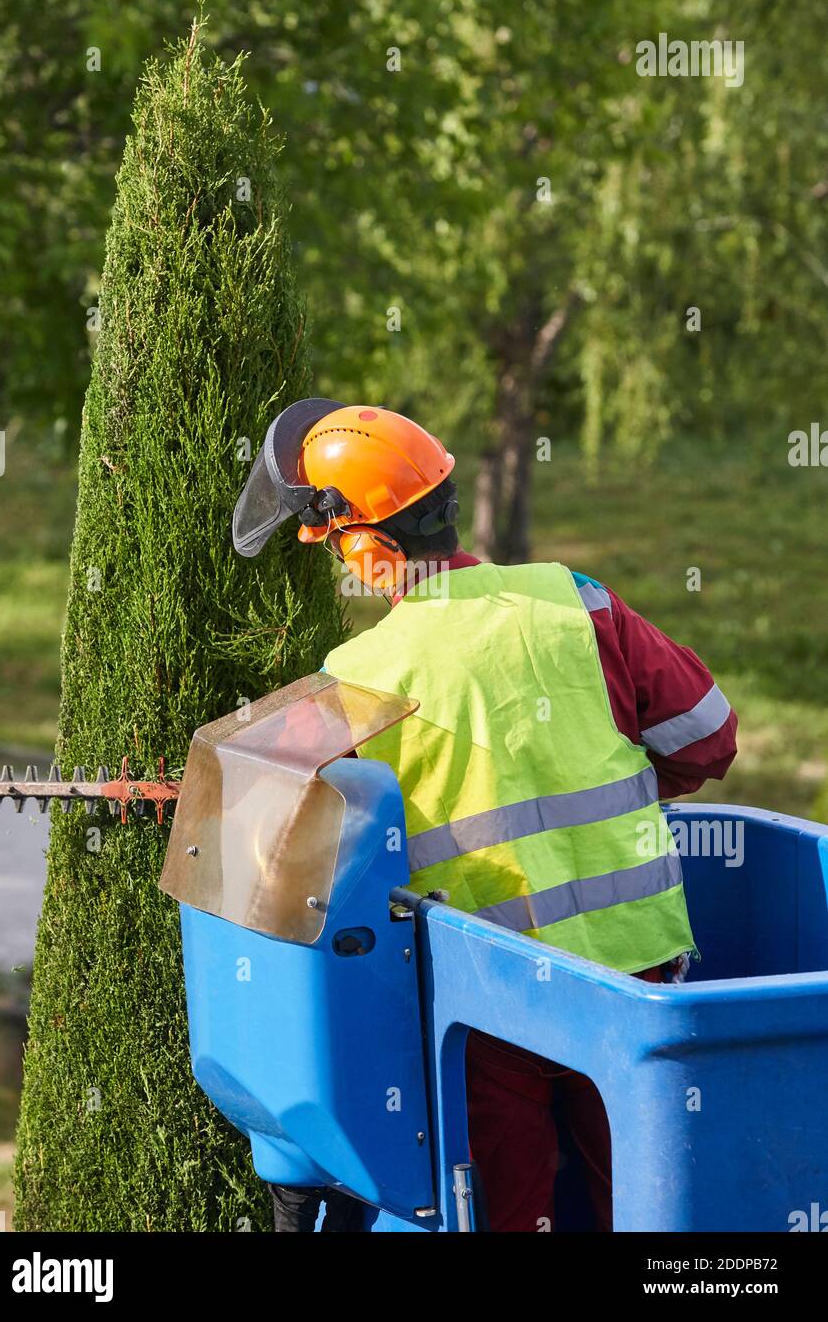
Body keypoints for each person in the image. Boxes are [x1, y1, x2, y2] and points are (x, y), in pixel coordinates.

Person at [233, 399, 737, 1232]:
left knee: (509, 1214)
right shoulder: (577, 602)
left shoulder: (359, 674)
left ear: (365, 546)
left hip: (494, 1003)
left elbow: (300, 834)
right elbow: (708, 739)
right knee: (649, 1210)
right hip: (638, 977)